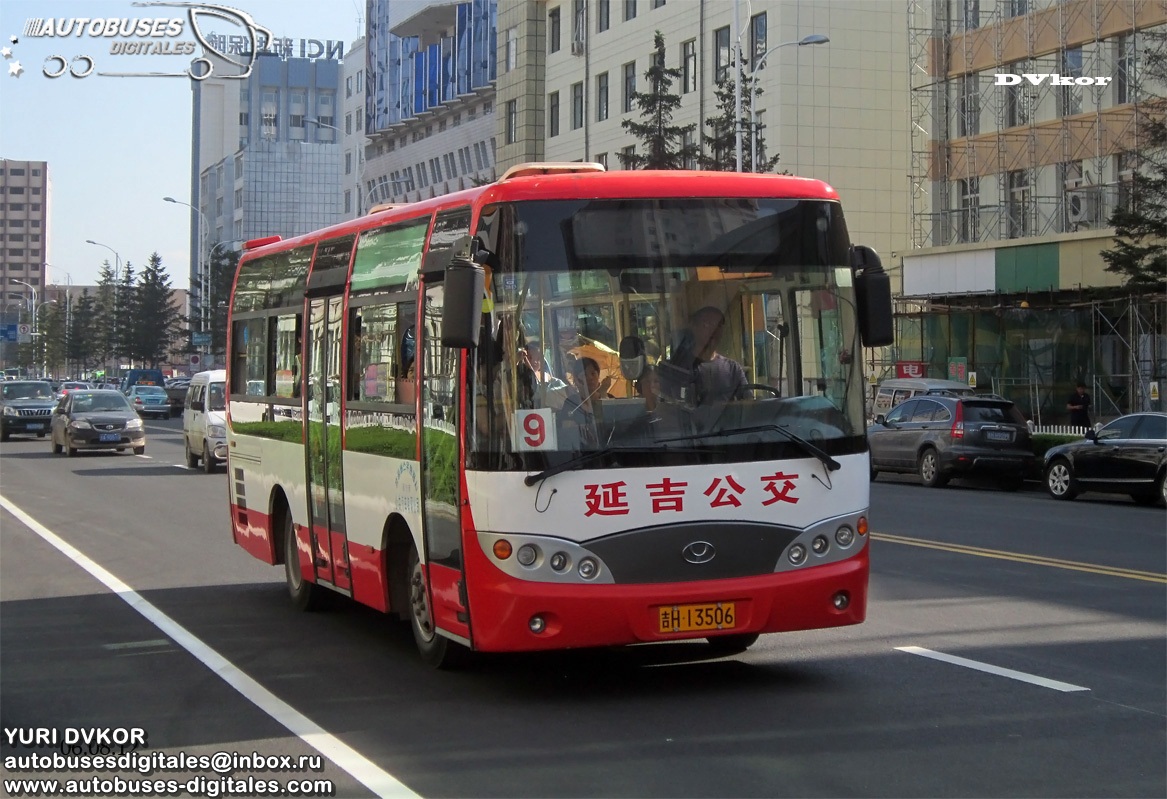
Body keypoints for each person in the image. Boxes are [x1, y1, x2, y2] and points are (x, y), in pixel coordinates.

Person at [679, 306, 748, 403]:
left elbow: (749, 403)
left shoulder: (733, 369)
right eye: (708, 324)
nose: (714, 330)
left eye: (718, 325)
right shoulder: (681, 368)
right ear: (694, 327)